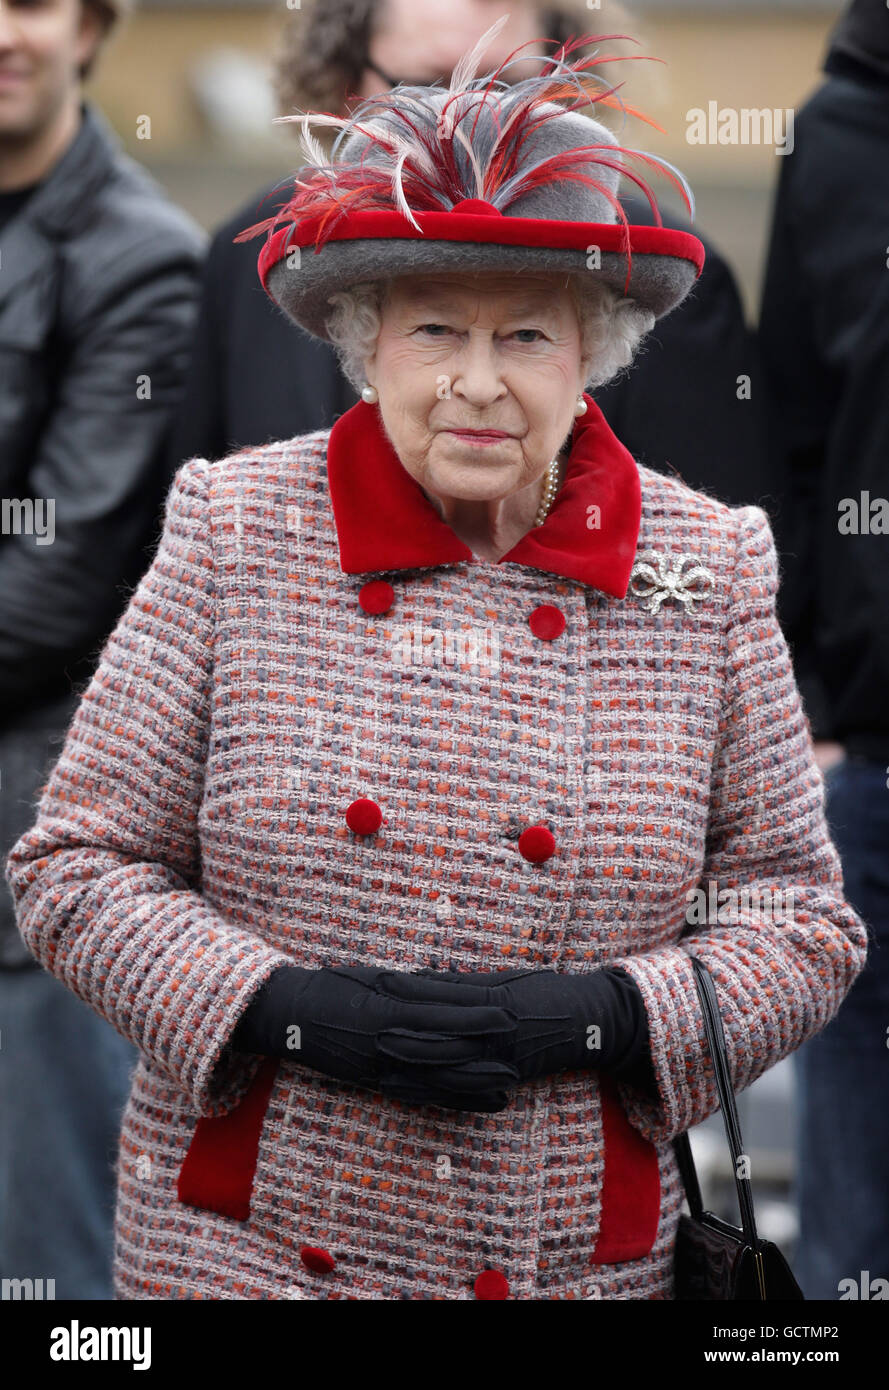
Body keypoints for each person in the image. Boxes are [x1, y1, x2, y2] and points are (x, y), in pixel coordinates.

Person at [6, 28, 866, 1301]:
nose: (477, 385)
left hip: (565, 1259)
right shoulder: (236, 528)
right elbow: (74, 868)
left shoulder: (707, 566)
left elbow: (799, 922)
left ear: (594, 351)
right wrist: (288, 1009)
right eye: (432, 331)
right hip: (248, 1255)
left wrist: (605, 1021)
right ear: (363, 341)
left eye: (526, 334)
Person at [168, 0, 772, 526]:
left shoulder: (646, 260)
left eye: (507, 86)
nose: (468, 120)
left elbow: (704, 542)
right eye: (426, 87)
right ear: (341, 82)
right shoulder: (254, 248)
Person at [0, 0, 206, 1297]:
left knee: (55, 1281)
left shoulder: (142, 261)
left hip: (23, 872)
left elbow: (44, 597)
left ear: (90, 25)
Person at [758, 0, 889, 1300]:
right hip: (874, 767)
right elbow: (793, 437)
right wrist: (812, 693)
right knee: (854, 1238)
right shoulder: (837, 133)